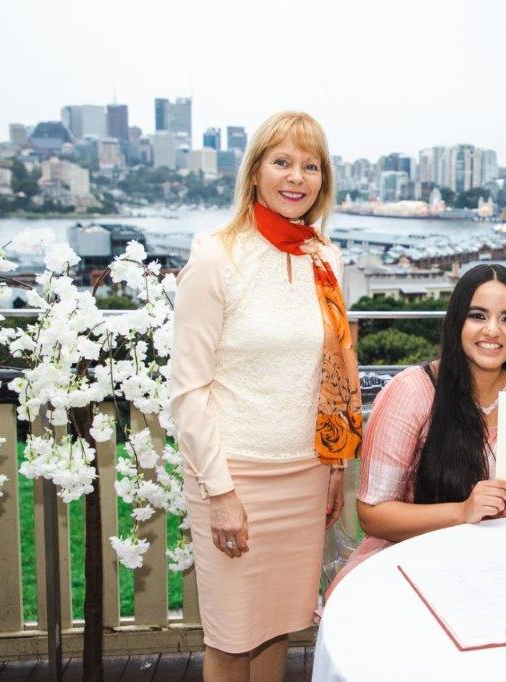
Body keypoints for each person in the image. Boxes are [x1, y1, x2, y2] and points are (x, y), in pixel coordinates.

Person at [171, 111, 361, 680]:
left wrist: (334, 465)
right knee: (232, 638)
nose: (296, 177)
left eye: (310, 165)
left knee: (281, 625)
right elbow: (188, 391)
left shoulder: (326, 259)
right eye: (282, 162)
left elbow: (334, 369)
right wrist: (221, 493)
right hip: (234, 478)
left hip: (305, 474)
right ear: (255, 172)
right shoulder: (216, 257)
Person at [325, 264, 506, 596]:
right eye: (478, 316)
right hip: (419, 560)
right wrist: (463, 510)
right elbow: (373, 515)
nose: (493, 331)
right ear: (457, 321)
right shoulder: (412, 392)